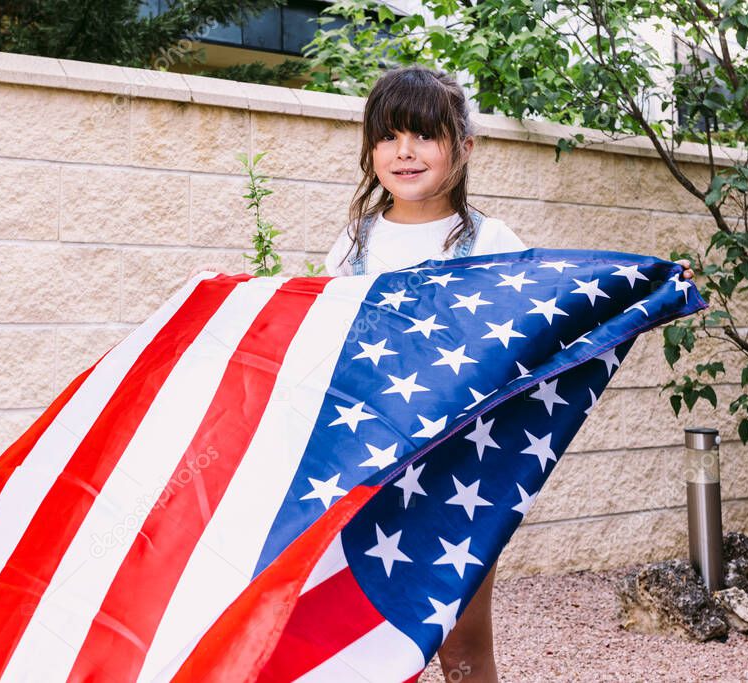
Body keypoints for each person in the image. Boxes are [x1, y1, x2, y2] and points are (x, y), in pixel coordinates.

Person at [188, 65, 694, 681]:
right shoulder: (354, 245)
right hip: (366, 471)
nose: (405, 152)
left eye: (424, 135)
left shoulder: (494, 244)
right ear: (369, 149)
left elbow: (554, 321)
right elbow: (328, 348)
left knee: (462, 649)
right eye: (388, 136)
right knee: (360, 643)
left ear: (464, 146)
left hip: (458, 475)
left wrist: (651, 288)